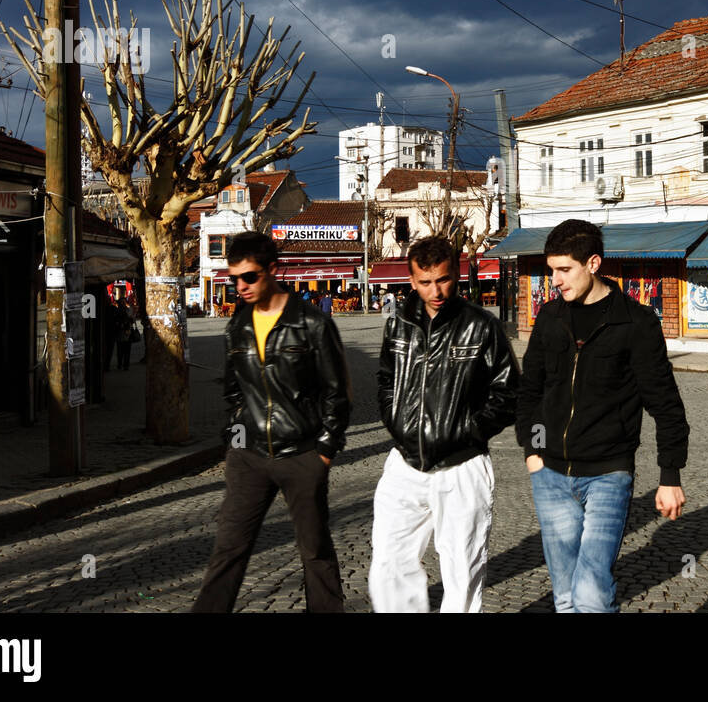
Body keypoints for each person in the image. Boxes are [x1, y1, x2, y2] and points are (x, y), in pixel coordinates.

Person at [516, 219, 689, 613]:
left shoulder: (636, 322)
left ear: (593, 263)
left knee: (590, 596)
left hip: (609, 474)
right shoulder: (549, 317)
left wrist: (669, 476)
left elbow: (665, 404)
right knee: (564, 597)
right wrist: (534, 453)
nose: (554, 280)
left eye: (564, 270)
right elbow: (530, 391)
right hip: (550, 475)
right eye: (551, 271)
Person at [193, 230, 353, 613]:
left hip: (301, 454)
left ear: (272, 270)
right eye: (234, 279)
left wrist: (324, 454)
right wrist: (234, 447)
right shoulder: (239, 325)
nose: (241, 286)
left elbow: (338, 393)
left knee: (314, 550)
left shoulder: (312, 324)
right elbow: (233, 391)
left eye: (249, 277)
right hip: (248, 457)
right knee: (229, 549)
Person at [370, 236, 519, 612]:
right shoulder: (398, 324)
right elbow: (387, 381)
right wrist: (397, 421)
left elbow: (508, 394)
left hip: (462, 466)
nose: (435, 290)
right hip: (404, 462)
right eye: (425, 281)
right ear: (411, 278)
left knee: (462, 568)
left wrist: (467, 431)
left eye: (443, 279)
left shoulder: (482, 326)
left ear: (456, 273)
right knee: (389, 562)